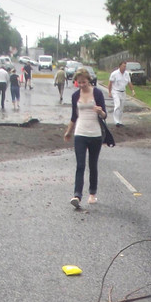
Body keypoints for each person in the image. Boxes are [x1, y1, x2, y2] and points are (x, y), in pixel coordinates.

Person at [62, 68, 107, 208]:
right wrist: (68, 132)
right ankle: (77, 195)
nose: (81, 84)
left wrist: (100, 111)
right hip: (80, 133)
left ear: (89, 80)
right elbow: (74, 116)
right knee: (80, 165)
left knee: (92, 165)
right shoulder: (75, 96)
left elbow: (105, 116)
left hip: (95, 134)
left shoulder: (98, 93)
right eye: (79, 82)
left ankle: (92, 193)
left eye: (84, 82)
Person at [108, 60, 133, 126]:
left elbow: (129, 83)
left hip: (123, 92)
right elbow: (110, 83)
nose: (124, 68)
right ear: (120, 66)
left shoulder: (127, 74)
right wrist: (109, 92)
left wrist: (132, 91)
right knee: (117, 105)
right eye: (123, 66)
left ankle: (120, 121)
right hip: (116, 91)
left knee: (121, 107)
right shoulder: (114, 74)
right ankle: (116, 121)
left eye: (125, 66)